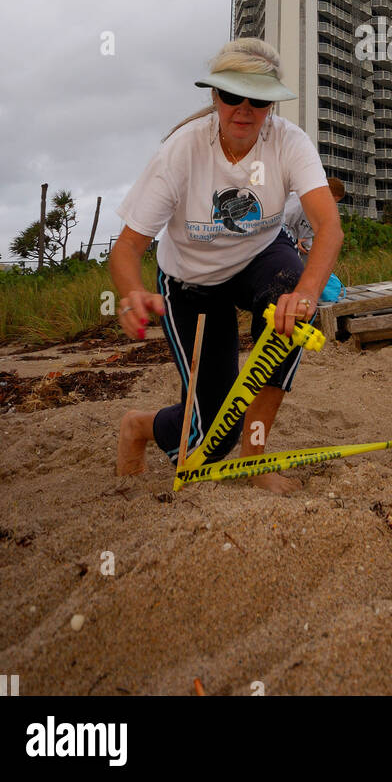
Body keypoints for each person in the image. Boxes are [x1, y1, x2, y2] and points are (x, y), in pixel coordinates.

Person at [109, 38, 344, 493]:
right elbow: (128, 247)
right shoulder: (182, 151)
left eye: (258, 99)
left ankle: (254, 460)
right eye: (232, 95)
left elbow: (327, 225)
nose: (244, 108)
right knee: (212, 433)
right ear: (215, 97)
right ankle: (139, 426)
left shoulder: (289, 142)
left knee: (288, 314)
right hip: (191, 281)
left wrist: (308, 293)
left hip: (260, 254)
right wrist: (132, 293)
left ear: (271, 105)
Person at [283, 176, 345, 255]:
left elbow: (307, 237)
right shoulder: (299, 199)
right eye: (332, 200)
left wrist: (309, 249)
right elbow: (280, 226)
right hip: (281, 245)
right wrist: (295, 241)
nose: (332, 204)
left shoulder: (319, 213)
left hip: (295, 250)